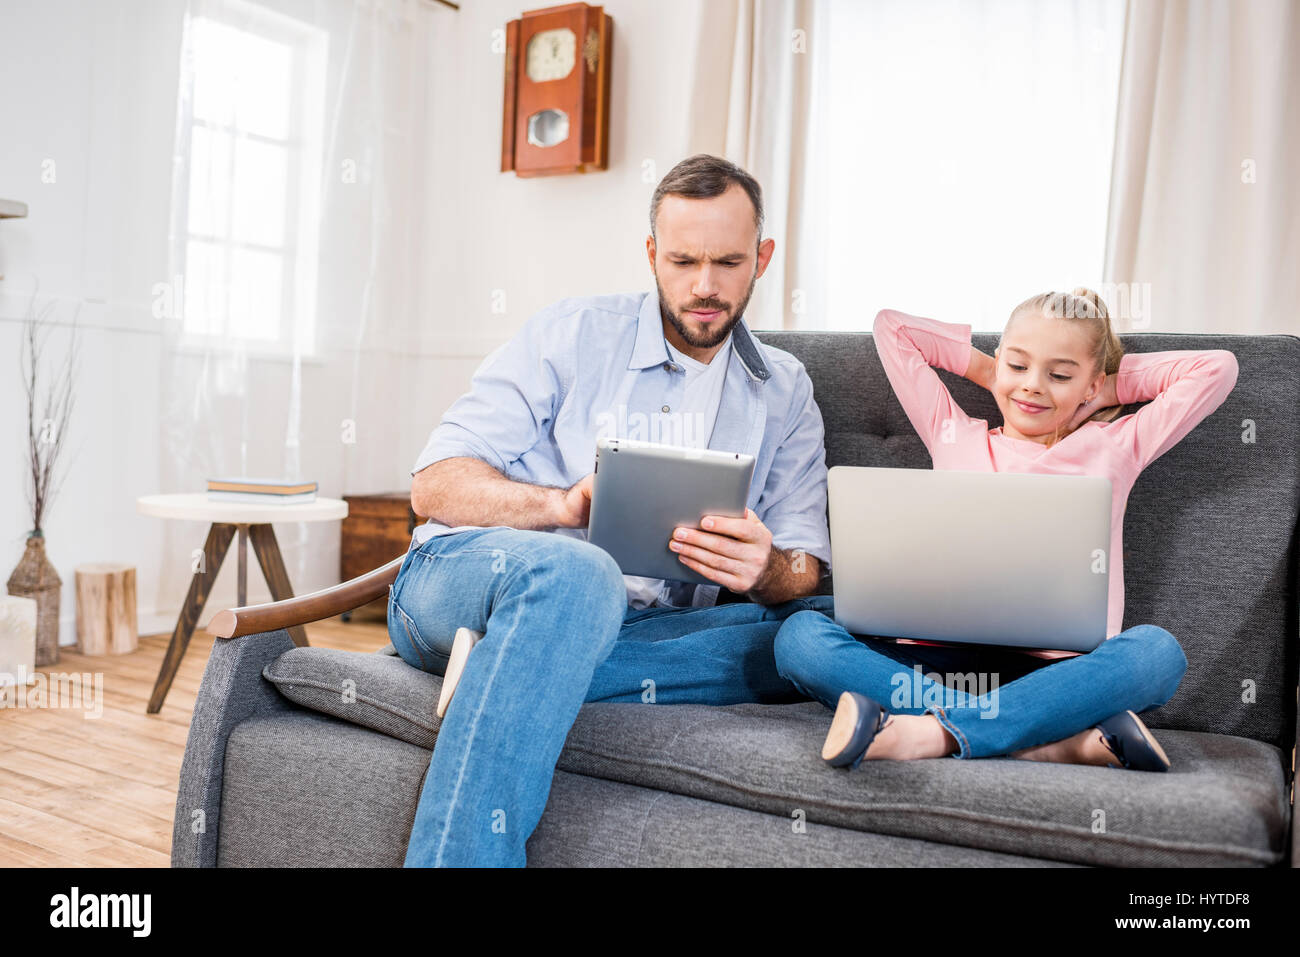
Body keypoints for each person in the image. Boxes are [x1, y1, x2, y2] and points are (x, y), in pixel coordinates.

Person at [389, 154, 832, 867]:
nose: (706, 286)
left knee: (815, 635)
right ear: (652, 254)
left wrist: (767, 566)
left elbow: (807, 568)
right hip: (466, 577)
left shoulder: (784, 389)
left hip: (647, 625)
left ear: (763, 259)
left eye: (728, 261)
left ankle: (509, 666)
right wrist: (560, 505)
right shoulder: (572, 334)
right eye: (684, 260)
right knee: (580, 573)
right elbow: (434, 484)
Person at [772, 290, 1238, 772]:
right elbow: (892, 328)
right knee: (800, 638)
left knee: (1157, 653)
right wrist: (990, 372)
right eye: (1019, 365)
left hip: (1057, 671)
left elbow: (1217, 369)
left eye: (1059, 375)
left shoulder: (1115, 448)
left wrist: (1108, 389)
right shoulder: (952, 432)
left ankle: (929, 731)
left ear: (1091, 384)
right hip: (934, 663)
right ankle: (1041, 739)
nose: (1033, 386)